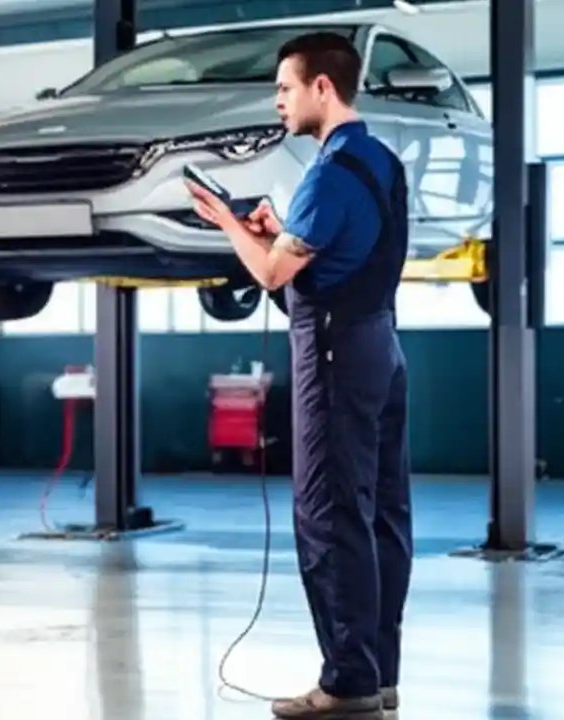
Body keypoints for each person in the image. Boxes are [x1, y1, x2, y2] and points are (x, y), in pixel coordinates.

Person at [186, 31, 412, 720]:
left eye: (285, 87)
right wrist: (282, 226)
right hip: (382, 346)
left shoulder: (330, 172)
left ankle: (346, 685)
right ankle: (378, 672)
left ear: (322, 88)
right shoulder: (381, 163)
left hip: (335, 355)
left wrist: (230, 223)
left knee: (329, 514)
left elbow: (273, 273)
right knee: (382, 515)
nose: (277, 100)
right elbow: (335, 252)